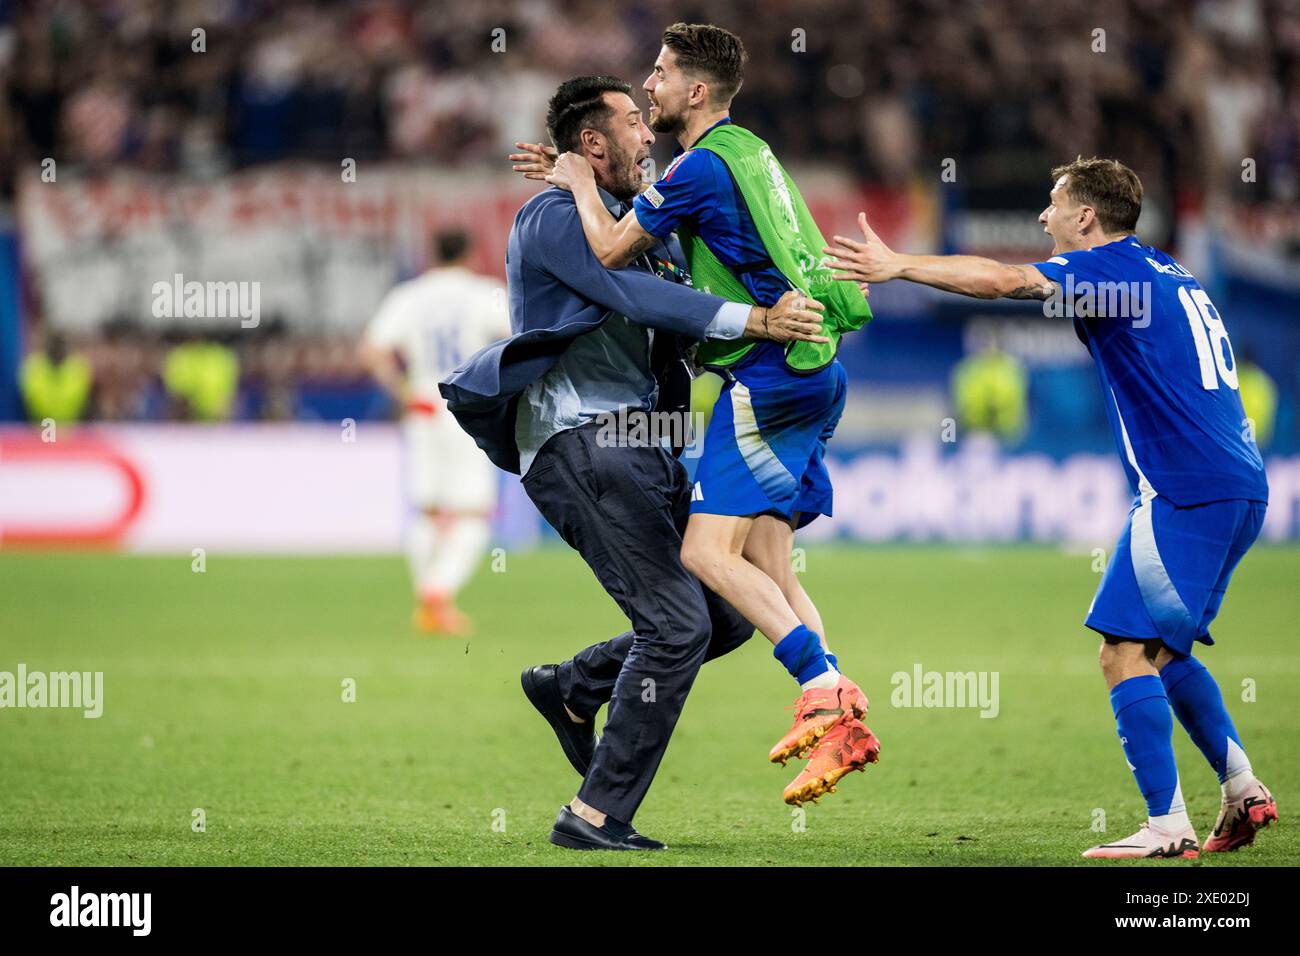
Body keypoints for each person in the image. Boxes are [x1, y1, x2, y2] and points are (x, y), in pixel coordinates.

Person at [826, 157, 1276, 859]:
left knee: (1121, 653)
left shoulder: (1112, 270)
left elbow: (1008, 281)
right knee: (1160, 649)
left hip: (1185, 489)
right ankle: (1242, 789)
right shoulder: (1167, 271)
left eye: (1053, 203)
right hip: (1237, 484)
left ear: (1086, 217)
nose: (1043, 217)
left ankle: (1165, 828)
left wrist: (898, 265)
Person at [442, 75, 829, 851]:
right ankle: (593, 815)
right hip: (579, 441)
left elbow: (680, 310)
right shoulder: (551, 218)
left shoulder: (633, 221)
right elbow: (635, 299)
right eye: (630, 123)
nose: (647, 133)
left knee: (723, 611)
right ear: (591, 145)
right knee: (676, 622)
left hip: (644, 446)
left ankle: (572, 686)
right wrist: (759, 319)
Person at [529, 23, 879, 807]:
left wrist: (579, 184)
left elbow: (615, 251)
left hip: (768, 374)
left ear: (695, 90)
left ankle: (823, 685)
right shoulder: (753, 153)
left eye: (658, 73)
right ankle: (847, 728)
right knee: (770, 567)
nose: (649, 85)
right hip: (818, 370)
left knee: (706, 559)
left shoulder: (696, 167)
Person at [360, 229, 510, 636]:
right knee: (473, 512)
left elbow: (371, 349)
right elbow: (519, 337)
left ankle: (427, 600)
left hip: (423, 405)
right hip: (465, 407)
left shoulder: (409, 295)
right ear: (470, 254)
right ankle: (436, 596)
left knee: (427, 508)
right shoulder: (484, 292)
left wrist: (404, 391)